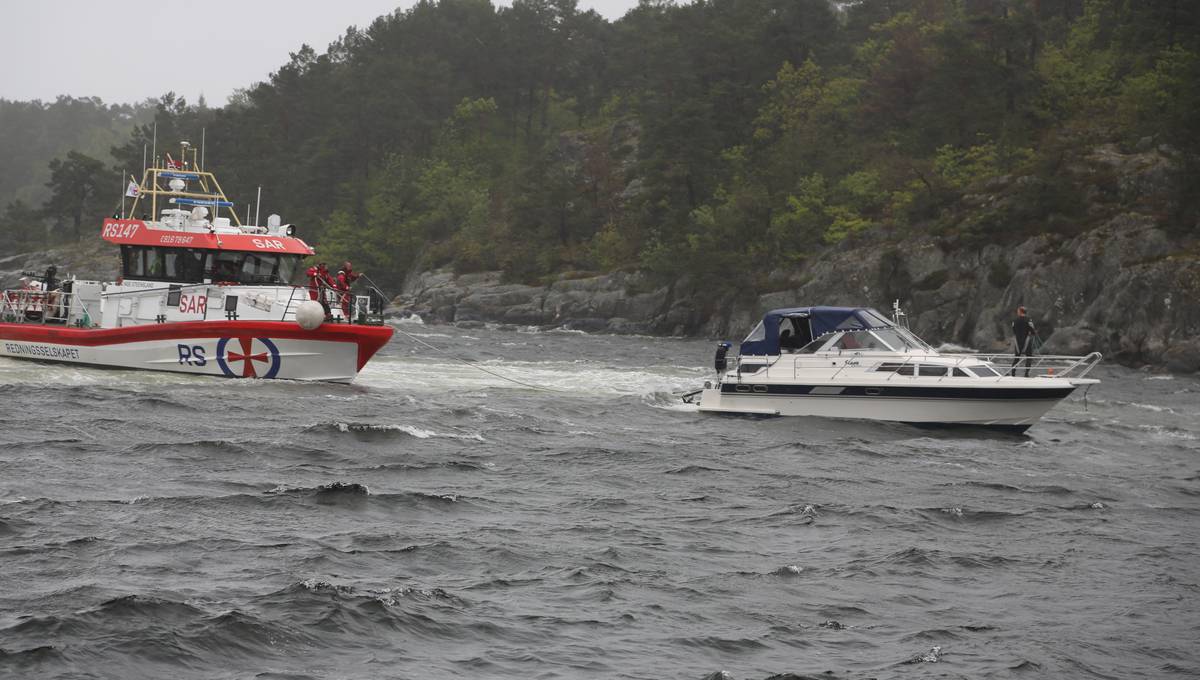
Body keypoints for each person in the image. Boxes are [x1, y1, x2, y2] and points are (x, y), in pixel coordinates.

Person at [1010, 306, 1036, 377]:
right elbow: (1032, 331)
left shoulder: (1015, 320)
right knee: (1029, 357)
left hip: (1017, 341)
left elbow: (1014, 330)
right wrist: (1032, 333)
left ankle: (1013, 373)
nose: (1017, 312)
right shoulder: (1029, 320)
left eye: (1018, 311)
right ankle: (1026, 374)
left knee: (1017, 357)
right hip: (1027, 341)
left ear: (1020, 311)